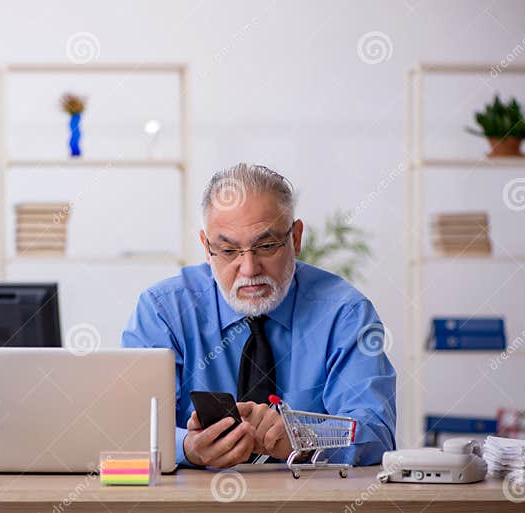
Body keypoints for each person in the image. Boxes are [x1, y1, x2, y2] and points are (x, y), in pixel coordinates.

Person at [122, 163, 396, 468]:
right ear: (206, 246)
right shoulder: (164, 312)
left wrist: (302, 437)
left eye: (266, 246)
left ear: (295, 238)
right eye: (227, 251)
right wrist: (187, 447)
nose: (249, 269)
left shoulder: (344, 314)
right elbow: (128, 428)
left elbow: (376, 434)